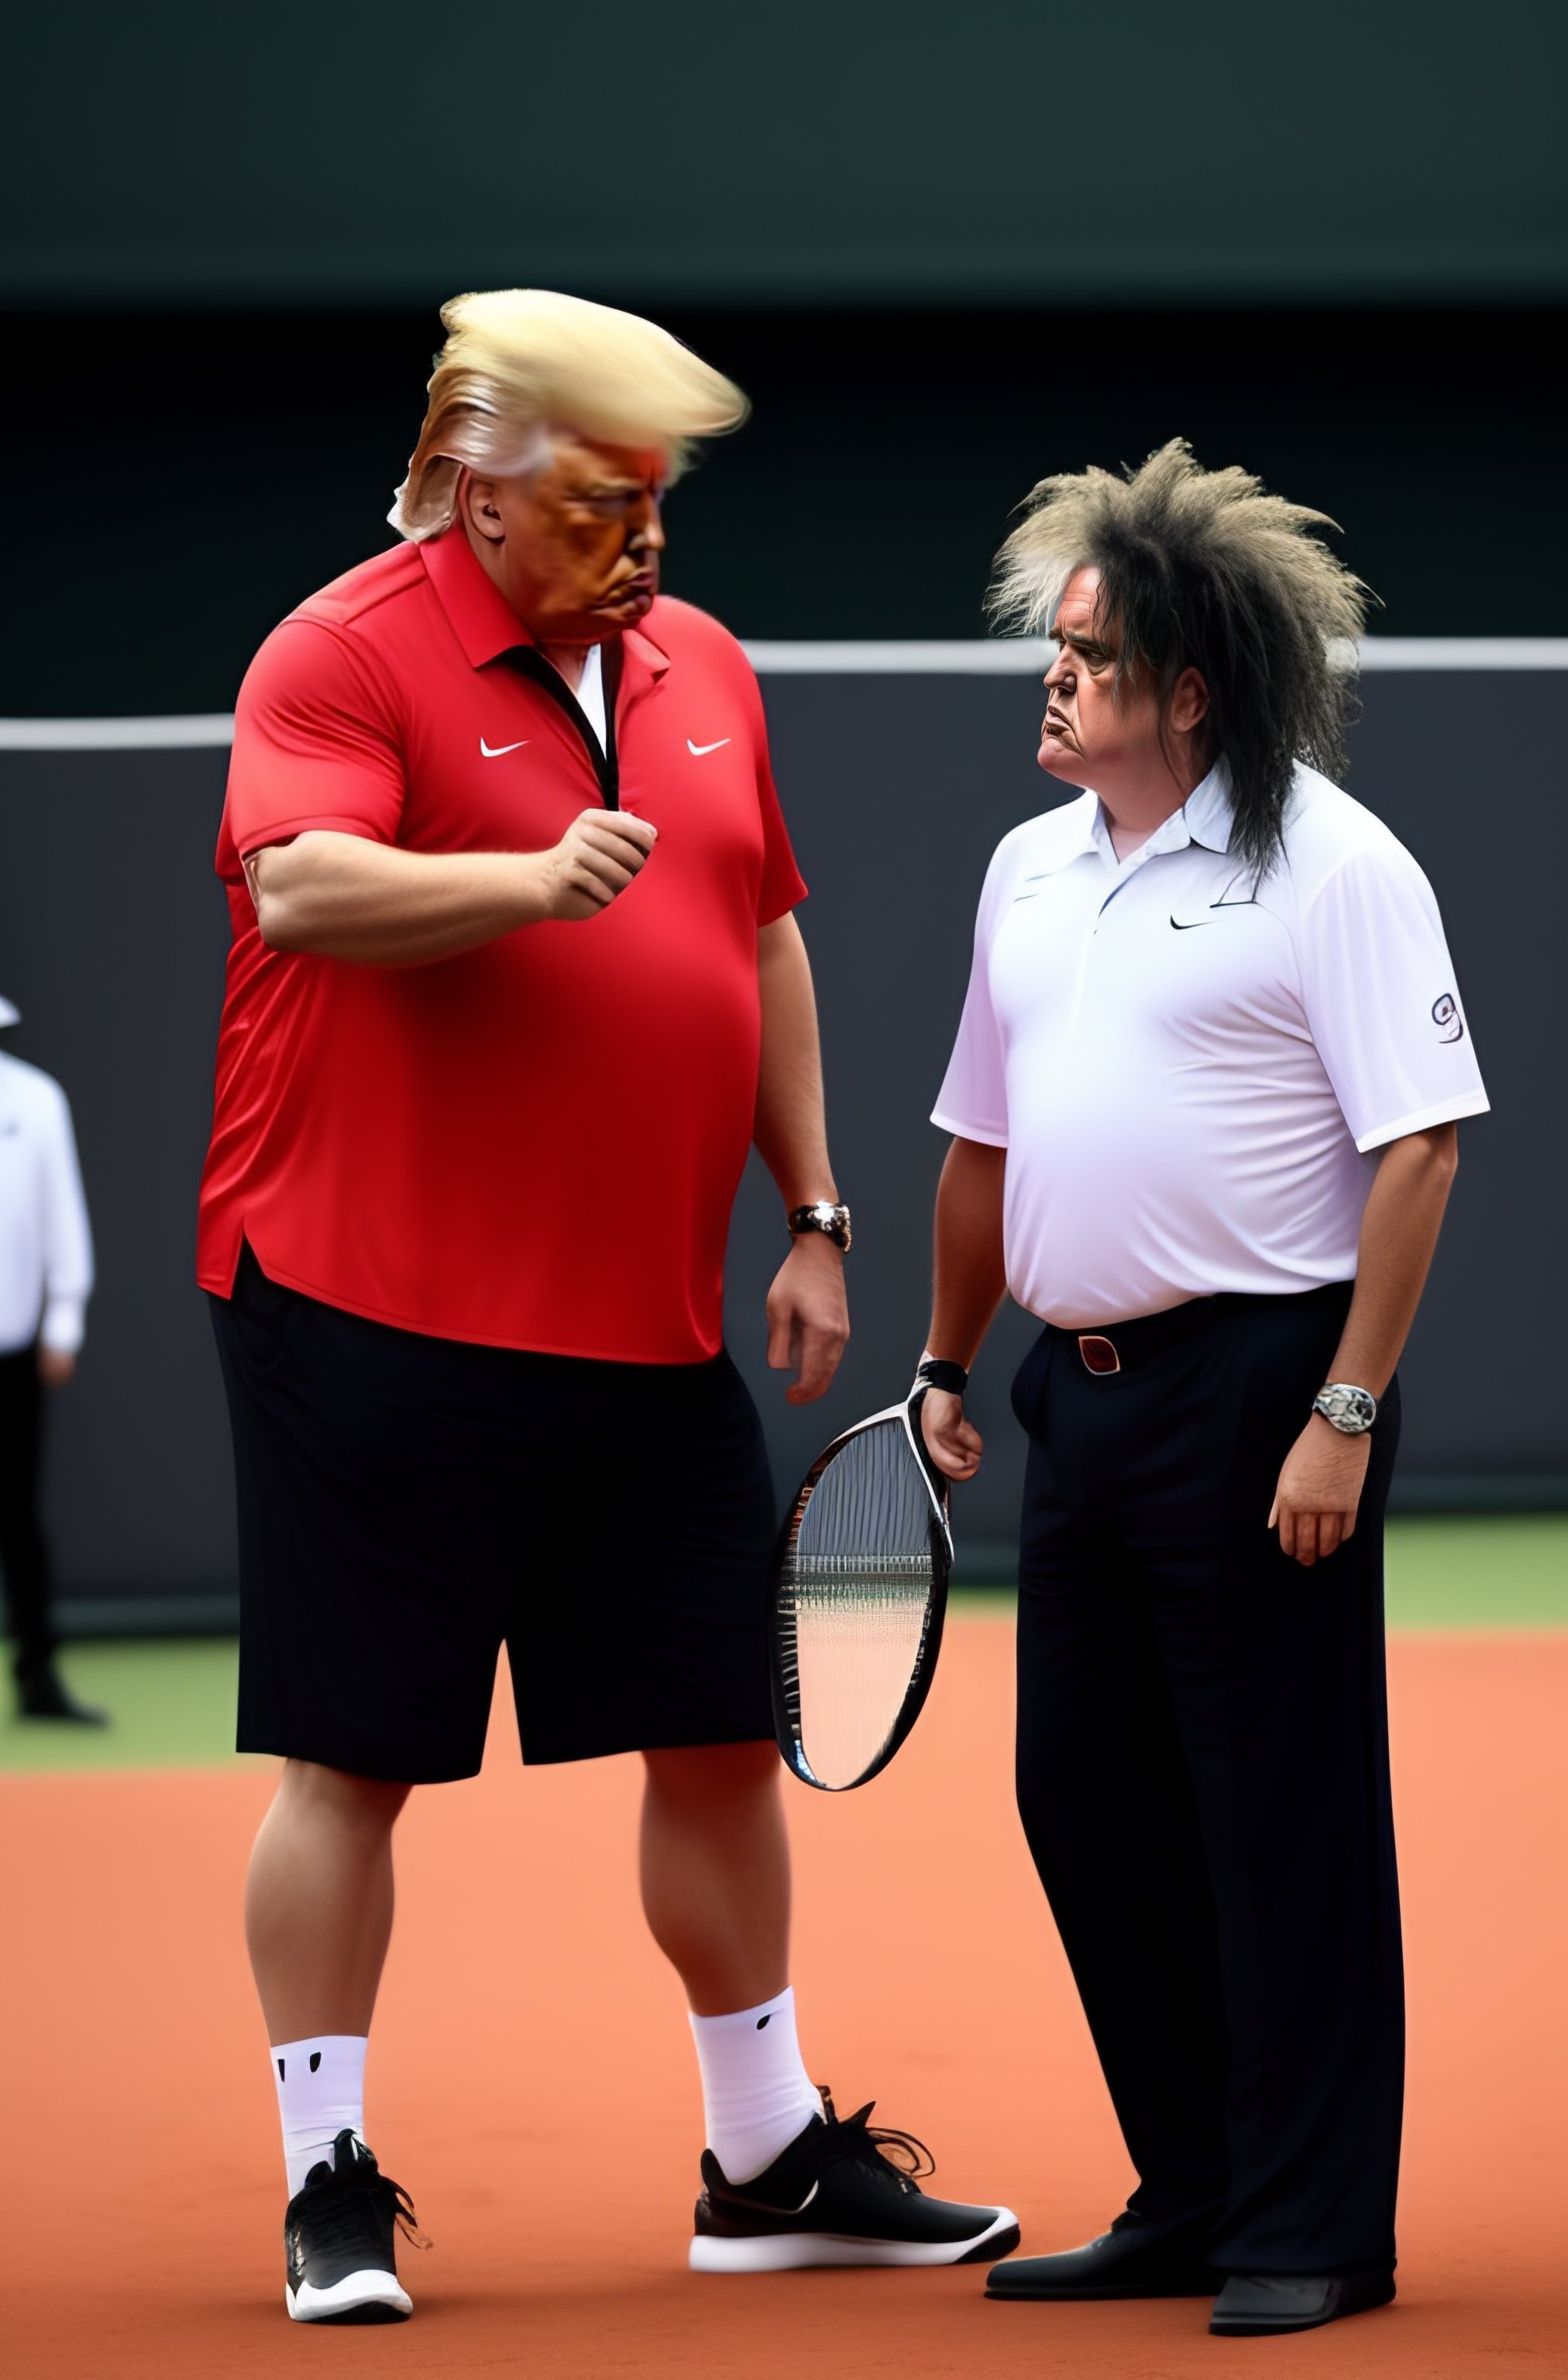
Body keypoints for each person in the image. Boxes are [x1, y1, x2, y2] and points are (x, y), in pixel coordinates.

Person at [198, 289, 1016, 2327]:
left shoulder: (705, 667)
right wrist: (522, 880)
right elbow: (298, 886)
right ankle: (329, 2188)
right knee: (349, 1763)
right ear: (473, 488)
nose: (643, 539)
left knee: (725, 1737)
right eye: (594, 501)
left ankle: (763, 2161)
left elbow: (760, 936)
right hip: (364, 1304)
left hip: (639, 1328)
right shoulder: (337, 651)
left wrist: (814, 1208)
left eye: (658, 499)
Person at [918, 442, 1488, 2340]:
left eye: (1089, 653)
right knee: (1079, 1793)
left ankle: (1315, 2221)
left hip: (1261, 1387)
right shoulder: (1024, 870)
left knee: (1280, 1815)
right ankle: (1195, 2185)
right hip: (1073, 1400)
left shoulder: (1332, 860)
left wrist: (1342, 1409)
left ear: (1189, 688)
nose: (1054, 678)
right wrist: (939, 1352)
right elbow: (977, 1144)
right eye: (1053, 646)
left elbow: (1417, 1151)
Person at [0, 993, 103, 1725]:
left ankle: (38, 1676)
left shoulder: (35, 1101)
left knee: (17, 1515)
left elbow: (60, 1210)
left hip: (12, 1347)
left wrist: (63, 1317)